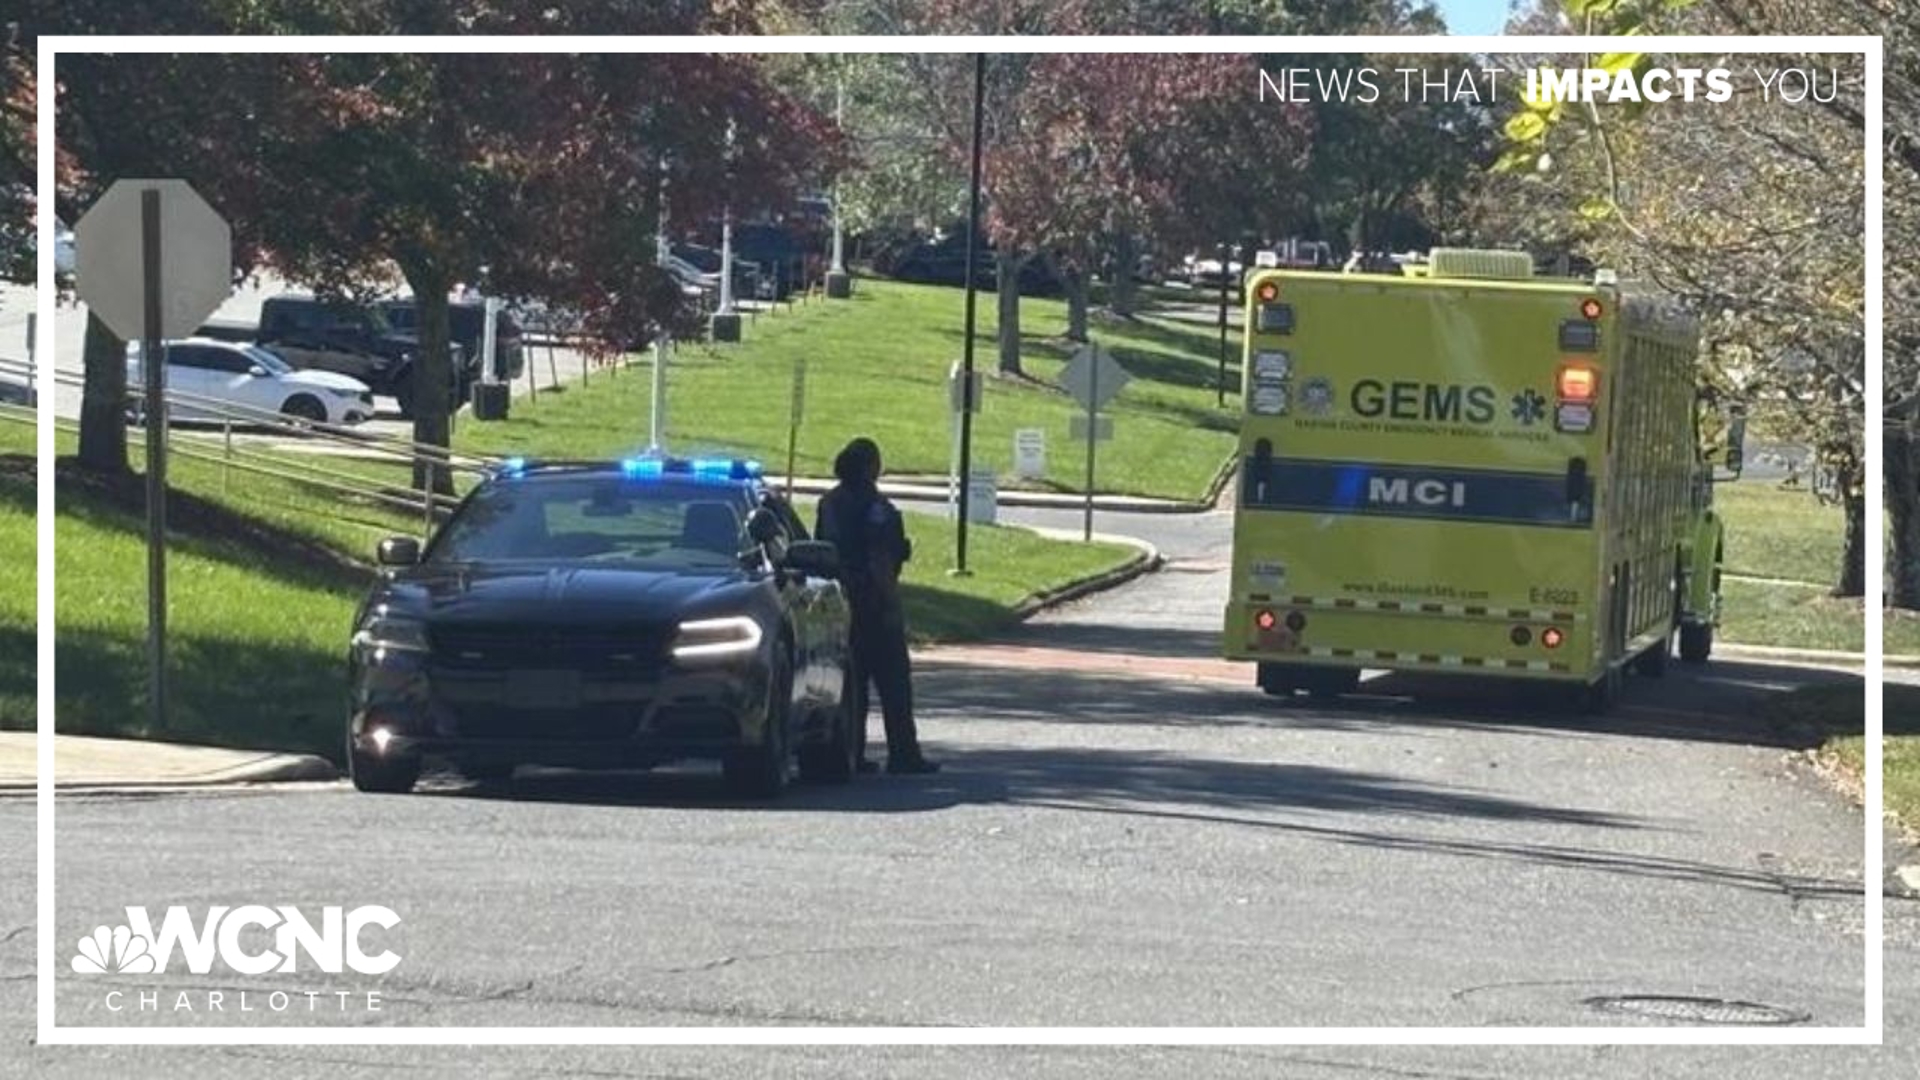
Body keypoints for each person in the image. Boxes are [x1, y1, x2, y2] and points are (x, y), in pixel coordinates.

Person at [816, 437, 940, 775]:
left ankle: (852, 752)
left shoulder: (829, 503)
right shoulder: (876, 508)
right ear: (871, 466)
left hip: (840, 604)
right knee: (894, 684)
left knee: (852, 686)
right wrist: (888, 604)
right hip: (873, 604)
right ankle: (903, 753)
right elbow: (881, 559)